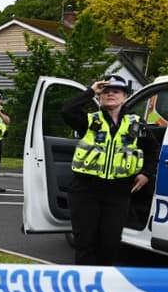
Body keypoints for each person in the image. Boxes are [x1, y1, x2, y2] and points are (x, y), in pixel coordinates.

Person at [61, 74, 158, 266]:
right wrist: (90, 91)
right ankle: (84, 287)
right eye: (105, 91)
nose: (110, 94)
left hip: (118, 191)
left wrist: (146, 173)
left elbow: (153, 150)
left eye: (116, 91)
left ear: (124, 96)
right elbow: (66, 111)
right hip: (85, 190)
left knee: (111, 243)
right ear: (99, 96)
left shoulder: (135, 124)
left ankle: (104, 285)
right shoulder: (90, 121)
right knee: (85, 242)